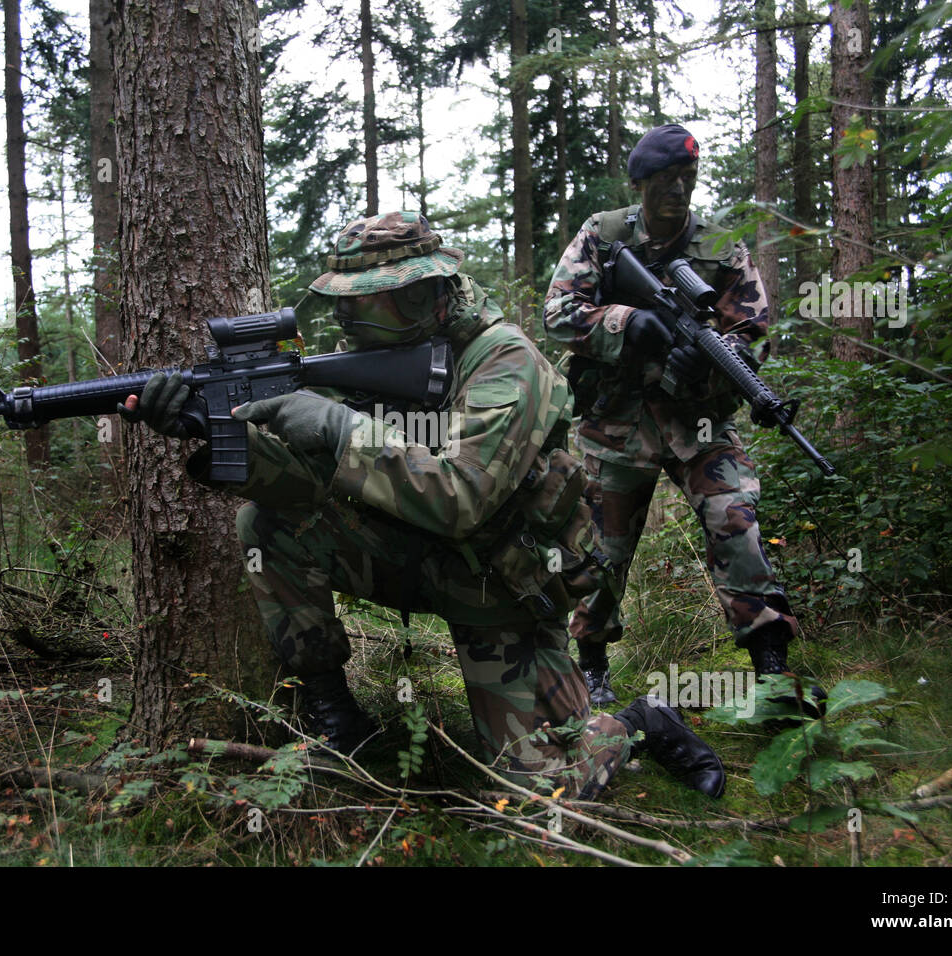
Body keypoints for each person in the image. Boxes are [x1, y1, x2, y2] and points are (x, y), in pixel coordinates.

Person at [121, 210, 725, 799]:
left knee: (546, 788)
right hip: (411, 556)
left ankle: (640, 721)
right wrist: (211, 429)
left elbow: (462, 498)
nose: (346, 319)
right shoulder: (370, 359)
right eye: (342, 303)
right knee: (268, 522)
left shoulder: (505, 361)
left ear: (422, 295)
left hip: (502, 585)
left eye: (363, 303)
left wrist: (335, 425)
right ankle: (337, 716)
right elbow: (304, 484)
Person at [544, 124, 818, 712]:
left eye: (687, 177)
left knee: (736, 523)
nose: (677, 188)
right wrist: (624, 323)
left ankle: (772, 668)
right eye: (665, 178)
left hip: (700, 423)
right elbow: (559, 312)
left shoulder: (721, 245)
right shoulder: (603, 234)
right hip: (616, 422)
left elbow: (755, 330)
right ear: (639, 182)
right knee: (600, 553)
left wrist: (725, 353)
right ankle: (590, 670)